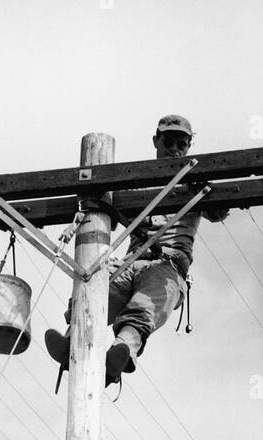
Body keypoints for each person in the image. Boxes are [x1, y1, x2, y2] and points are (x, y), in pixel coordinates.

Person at [45, 114, 228, 390]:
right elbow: (104, 207)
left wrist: (203, 184)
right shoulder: (137, 180)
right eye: (169, 141)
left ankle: (121, 353)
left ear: (189, 146)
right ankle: (72, 340)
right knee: (93, 286)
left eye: (182, 143)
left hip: (167, 267)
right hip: (131, 261)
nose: (176, 149)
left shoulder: (193, 179)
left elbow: (219, 210)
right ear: (156, 140)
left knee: (141, 310)